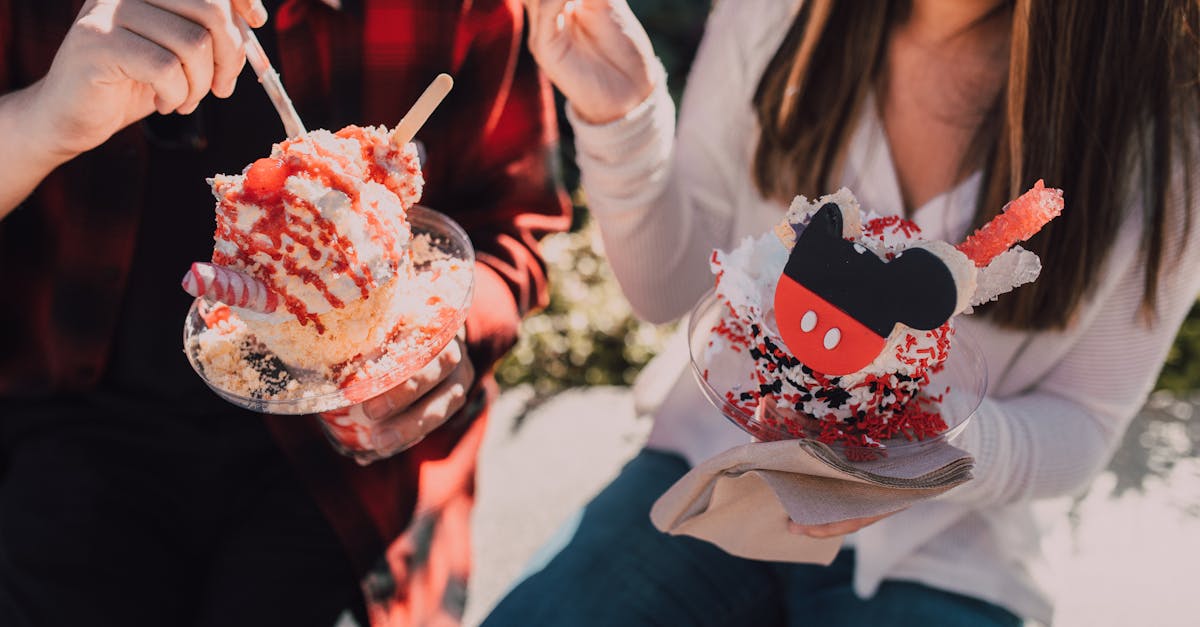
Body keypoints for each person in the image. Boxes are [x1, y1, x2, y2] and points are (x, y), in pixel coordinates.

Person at [485, 0, 1200, 625]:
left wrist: (921, 453)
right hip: (724, 467)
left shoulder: (1166, 148)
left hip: (944, 550)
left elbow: (1082, 421)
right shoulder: (778, 17)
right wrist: (624, 118)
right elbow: (670, 288)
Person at [0, 0, 569, 625]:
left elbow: (512, 227)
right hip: (69, 427)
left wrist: (444, 336)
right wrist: (40, 121)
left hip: (352, 474)